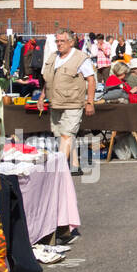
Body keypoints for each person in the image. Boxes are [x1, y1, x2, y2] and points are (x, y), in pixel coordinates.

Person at [37, 29, 96, 176]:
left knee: (67, 134)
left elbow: (91, 80)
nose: (59, 44)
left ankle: (59, 170)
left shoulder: (81, 58)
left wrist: (90, 102)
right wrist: (41, 96)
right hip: (55, 102)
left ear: (71, 42)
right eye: (57, 41)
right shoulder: (53, 56)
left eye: (62, 41)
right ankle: (75, 165)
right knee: (60, 134)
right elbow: (48, 79)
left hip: (73, 102)